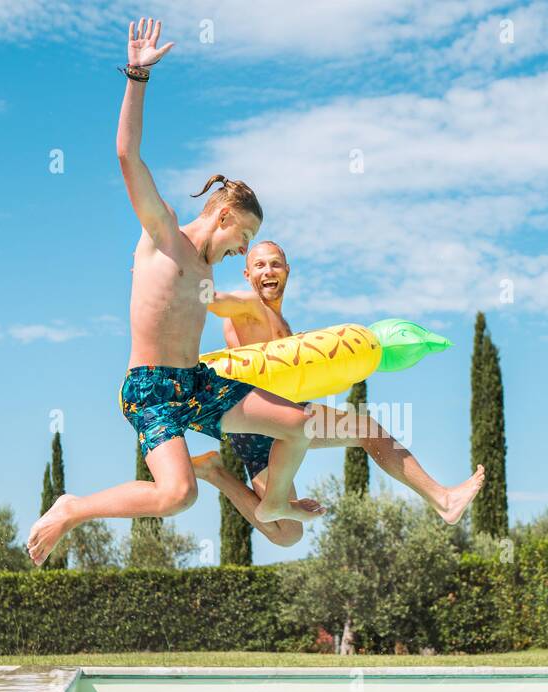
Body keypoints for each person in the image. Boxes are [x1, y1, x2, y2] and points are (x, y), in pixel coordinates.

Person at [27, 18, 323, 566]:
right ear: (226, 214)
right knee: (177, 495)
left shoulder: (211, 276)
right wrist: (137, 75)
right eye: (245, 238)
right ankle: (72, 507)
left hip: (199, 383)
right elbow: (126, 155)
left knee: (304, 423)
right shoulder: (162, 233)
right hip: (151, 389)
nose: (244, 252)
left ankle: (276, 500)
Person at [192, 240, 485, 547]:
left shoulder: (282, 322)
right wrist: (186, 283)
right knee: (286, 526)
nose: (269, 271)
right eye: (260, 265)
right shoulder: (249, 305)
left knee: (292, 530)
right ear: (247, 273)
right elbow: (217, 300)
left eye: (276, 264)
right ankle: (216, 474)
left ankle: (443, 500)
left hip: (288, 414)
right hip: (256, 421)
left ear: (287, 271)